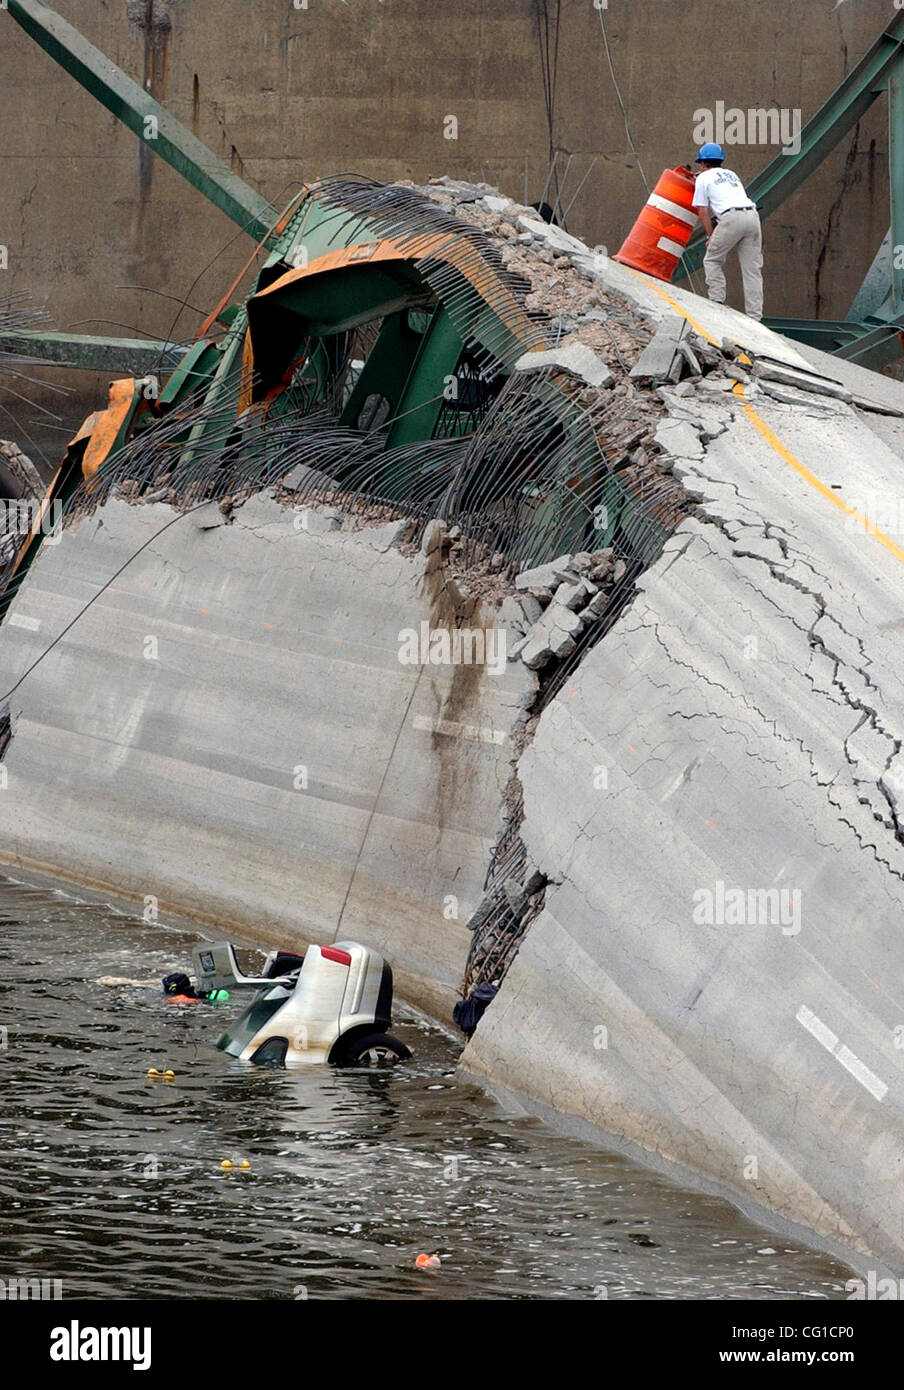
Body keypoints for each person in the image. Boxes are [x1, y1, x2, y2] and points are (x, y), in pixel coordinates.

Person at [691, 142, 763, 321]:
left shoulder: (702, 178)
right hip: (752, 216)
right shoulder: (731, 174)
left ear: (702, 163)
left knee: (712, 259)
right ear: (720, 161)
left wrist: (710, 235)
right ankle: (755, 317)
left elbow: (702, 210)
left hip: (731, 218)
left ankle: (717, 302)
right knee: (752, 269)